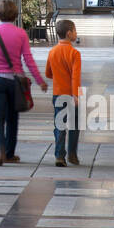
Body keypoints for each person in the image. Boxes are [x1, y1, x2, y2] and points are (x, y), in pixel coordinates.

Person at [0, 0, 48, 166]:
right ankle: (9, 153)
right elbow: (28, 60)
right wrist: (40, 81)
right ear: (15, 15)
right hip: (14, 82)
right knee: (12, 118)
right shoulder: (21, 34)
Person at [45, 17, 82, 167]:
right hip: (71, 94)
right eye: (75, 31)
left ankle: (59, 155)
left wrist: (58, 76)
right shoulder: (75, 53)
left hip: (57, 93)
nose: (76, 34)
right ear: (69, 33)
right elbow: (75, 76)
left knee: (59, 124)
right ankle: (72, 154)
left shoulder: (52, 52)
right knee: (74, 124)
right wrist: (76, 95)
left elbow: (48, 73)